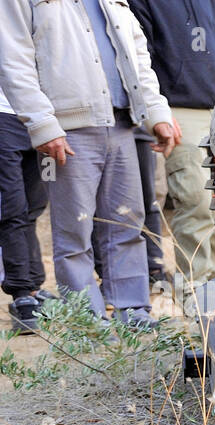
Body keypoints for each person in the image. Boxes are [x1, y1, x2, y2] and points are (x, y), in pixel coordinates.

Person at [0, 0, 178, 329]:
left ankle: (133, 313)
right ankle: (89, 321)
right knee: (74, 232)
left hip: (122, 123)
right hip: (67, 129)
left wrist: (157, 113)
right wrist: (42, 124)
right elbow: (13, 57)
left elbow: (138, 53)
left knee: (127, 226)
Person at [128, 0, 215, 288]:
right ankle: (196, 293)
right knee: (197, 203)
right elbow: (139, 61)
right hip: (177, 110)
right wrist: (159, 113)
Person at [0, 82, 54, 333]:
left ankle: (33, 286)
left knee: (35, 206)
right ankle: (21, 294)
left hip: (46, 122)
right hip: (4, 117)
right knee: (13, 208)